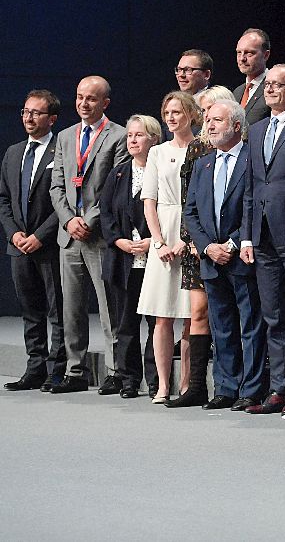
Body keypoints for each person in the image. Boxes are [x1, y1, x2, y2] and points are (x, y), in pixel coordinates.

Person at [239, 65, 285, 415]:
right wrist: (247, 236)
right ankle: (278, 388)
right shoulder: (255, 130)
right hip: (263, 235)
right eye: (267, 85)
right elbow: (252, 187)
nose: (268, 90)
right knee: (273, 316)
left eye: (276, 85)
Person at [183, 99, 266, 411]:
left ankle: (251, 389)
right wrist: (207, 247)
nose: (210, 125)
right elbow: (191, 212)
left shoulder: (251, 159)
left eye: (217, 120)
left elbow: (253, 208)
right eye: (208, 120)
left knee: (250, 325)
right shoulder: (203, 164)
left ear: (235, 126)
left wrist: (231, 244)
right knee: (222, 327)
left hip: (239, 255)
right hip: (210, 259)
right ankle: (226, 388)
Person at [49, 75, 129, 393]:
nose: (83, 103)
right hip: (68, 235)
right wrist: (69, 220)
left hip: (98, 235)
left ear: (105, 103)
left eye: (91, 98)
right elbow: (57, 186)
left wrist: (89, 220)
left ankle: (115, 369)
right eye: (80, 97)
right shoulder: (66, 136)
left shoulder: (119, 136)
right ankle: (76, 370)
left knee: (108, 305)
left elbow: (115, 185)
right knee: (72, 306)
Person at [165, 85, 231, 406]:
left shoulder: (237, 145)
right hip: (198, 244)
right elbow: (186, 199)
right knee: (198, 312)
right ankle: (195, 387)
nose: (208, 118)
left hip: (227, 242)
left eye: (213, 112)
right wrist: (192, 239)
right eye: (204, 112)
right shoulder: (196, 149)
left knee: (227, 314)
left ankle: (229, 385)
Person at [138, 92, 203, 404]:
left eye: (177, 111)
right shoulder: (158, 152)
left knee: (192, 315)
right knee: (162, 317)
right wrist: (160, 241)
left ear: (190, 114)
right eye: (168, 112)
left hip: (193, 234)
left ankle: (187, 383)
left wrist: (189, 240)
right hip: (163, 232)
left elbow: (205, 198)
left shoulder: (204, 147)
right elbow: (149, 201)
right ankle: (163, 384)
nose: (172, 118)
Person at [0, 90, 65, 391]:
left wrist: (40, 236)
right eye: (26, 111)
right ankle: (34, 366)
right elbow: (4, 200)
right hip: (19, 245)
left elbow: (66, 201)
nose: (29, 117)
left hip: (49, 244)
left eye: (36, 113)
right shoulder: (13, 152)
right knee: (30, 310)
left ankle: (57, 369)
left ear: (51, 119)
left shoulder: (61, 150)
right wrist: (14, 233)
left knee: (57, 310)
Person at [99, 115, 161, 399]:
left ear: (154, 139)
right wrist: (119, 240)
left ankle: (154, 378)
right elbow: (107, 211)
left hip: (154, 259)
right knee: (125, 323)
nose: (133, 140)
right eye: (130, 136)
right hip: (123, 259)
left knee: (155, 322)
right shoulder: (119, 173)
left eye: (139, 135)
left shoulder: (162, 171)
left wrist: (153, 240)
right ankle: (128, 379)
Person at [234, 28, 271, 124]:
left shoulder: (274, 88)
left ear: (266, 55)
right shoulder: (237, 92)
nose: (242, 58)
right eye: (239, 52)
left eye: (249, 53)